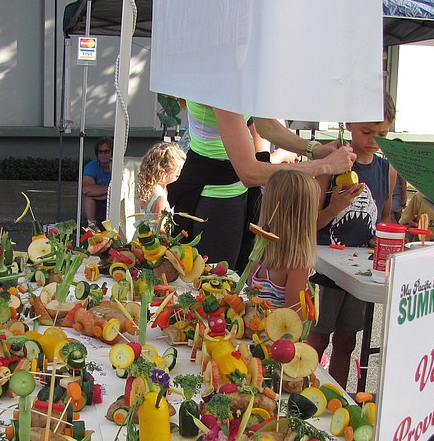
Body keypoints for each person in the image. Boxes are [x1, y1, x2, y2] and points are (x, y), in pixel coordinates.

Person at [166, 103, 354, 271]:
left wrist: (315, 150)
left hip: (237, 195)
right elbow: (250, 172)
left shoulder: (241, 75)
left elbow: (268, 126)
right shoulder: (221, 78)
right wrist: (325, 166)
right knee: (214, 291)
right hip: (213, 201)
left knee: (236, 286)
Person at [307, 92, 398, 387]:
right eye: (367, 132)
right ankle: (303, 393)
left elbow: (384, 221)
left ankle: (336, 397)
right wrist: (336, 207)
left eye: (382, 134)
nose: (373, 141)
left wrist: (381, 237)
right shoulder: (332, 164)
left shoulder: (387, 170)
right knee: (317, 339)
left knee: (347, 340)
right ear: (349, 124)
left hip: (360, 269)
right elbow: (310, 222)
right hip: (324, 269)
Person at [249, 168, 319, 309]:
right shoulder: (298, 264)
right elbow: (293, 320)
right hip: (276, 330)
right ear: (307, 216)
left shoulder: (259, 255)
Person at [136, 141, 185, 218]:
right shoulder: (161, 198)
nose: (179, 177)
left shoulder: (150, 190)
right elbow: (159, 227)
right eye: (177, 174)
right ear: (162, 173)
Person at [81, 136, 114, 225]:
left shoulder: (120, 166)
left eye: (106, 151)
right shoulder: (91, 166)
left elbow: (123, 190)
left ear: (112, 153)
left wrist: (100, 191)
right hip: (99, 200)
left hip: (113, 200)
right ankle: (92, 226)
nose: (103, 154)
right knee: (88, 197)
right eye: (100, 152)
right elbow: (86, 189)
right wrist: (110, 190)